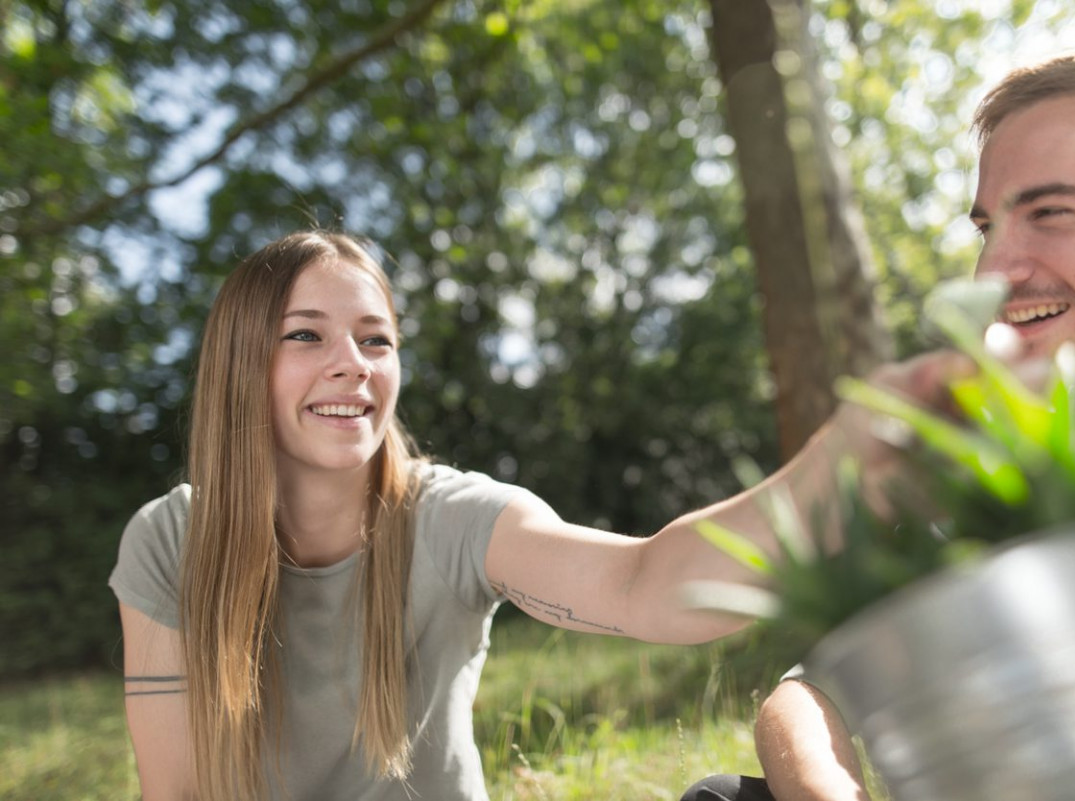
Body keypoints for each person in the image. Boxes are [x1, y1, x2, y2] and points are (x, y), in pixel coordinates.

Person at [112, 229, 870, 801]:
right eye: (306, 333)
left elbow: (644, 584)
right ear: (242, 361)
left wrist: (849, 455)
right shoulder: (169, 540)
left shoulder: (448, 515)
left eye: (376, 339)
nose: (355, 361)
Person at [680, 41, 1075, 801]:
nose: (992, 271)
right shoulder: (1000, 464)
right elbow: (811, 691)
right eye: (988, 226)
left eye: (1051, 212)